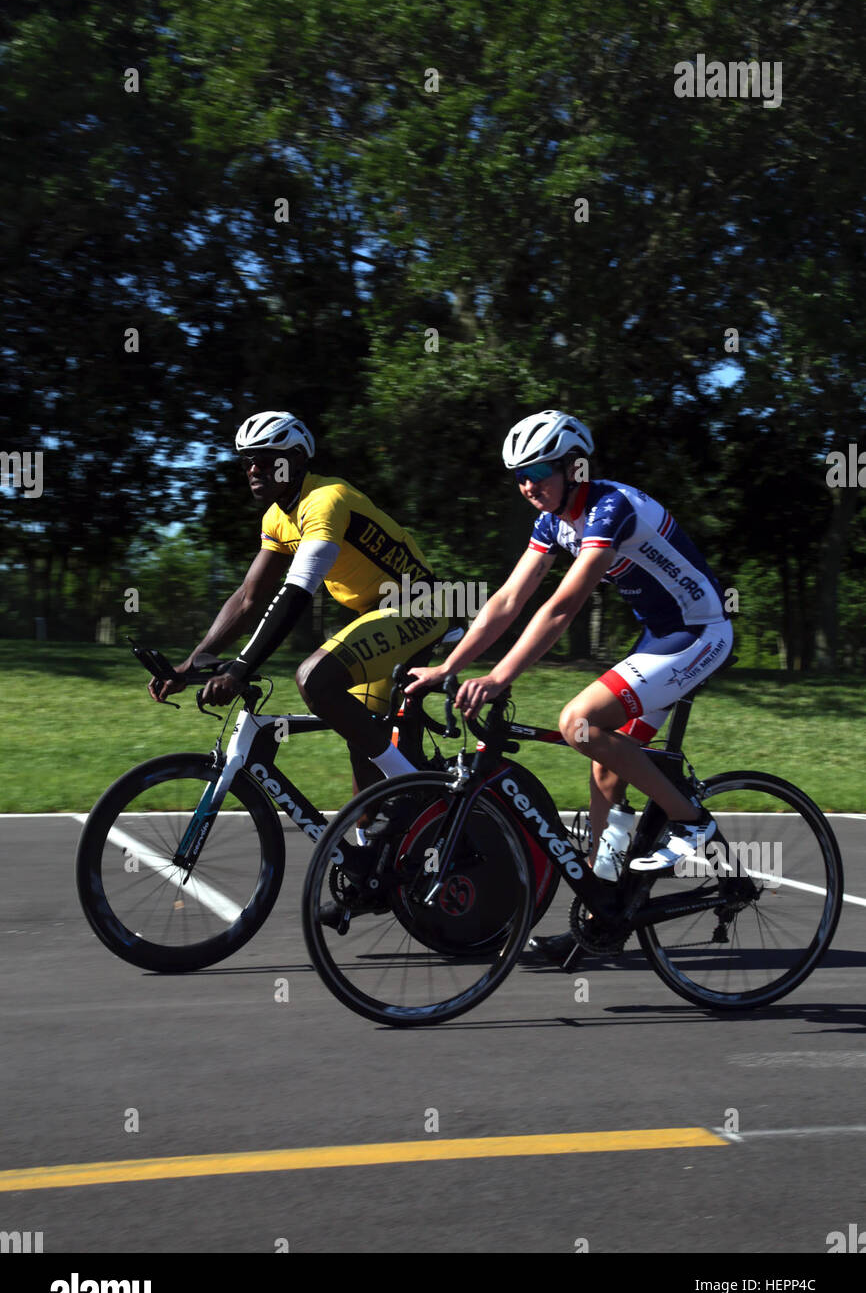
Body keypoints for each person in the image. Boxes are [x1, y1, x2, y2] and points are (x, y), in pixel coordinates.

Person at [406, 408, 734, 964]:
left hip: (700, 633)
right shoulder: (554, 521)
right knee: (605, 767)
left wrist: (500, 675)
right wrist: (448, 667)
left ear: (575, 468)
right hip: (660, 637)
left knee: (578, 722)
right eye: (519, 476)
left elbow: (562, 607)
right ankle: (603, 916)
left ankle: (692, 823)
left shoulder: (611, 508)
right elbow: (508, 601)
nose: (527, 486)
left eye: (538, 472)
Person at [148, 411, 450, 791]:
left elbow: (297, 592)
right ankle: (391, 815)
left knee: (315, 678)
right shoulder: (276, 518)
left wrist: (239, 669)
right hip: (378, 612)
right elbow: (248, 598)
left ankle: (406, 781)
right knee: (365, 745)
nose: (253, 469)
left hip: (422, 606)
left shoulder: (326, 500)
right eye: (247, 461)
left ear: (295, 459)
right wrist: (190, 664)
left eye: (265, 460)